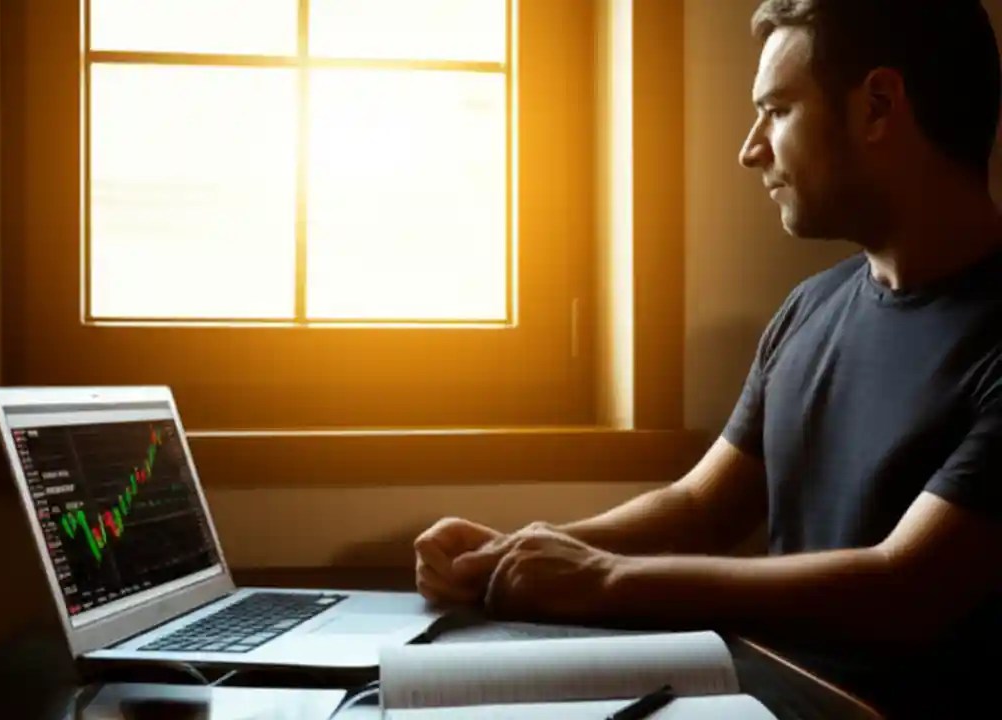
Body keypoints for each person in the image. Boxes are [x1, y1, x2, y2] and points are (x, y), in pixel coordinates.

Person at [413, 1, 1002, 715]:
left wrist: (602, 579)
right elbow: (700, 506)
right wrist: (517, 552)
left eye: (777, 110)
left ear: (878, 105)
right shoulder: (810, 308)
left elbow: (903, 587)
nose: (752, 149)